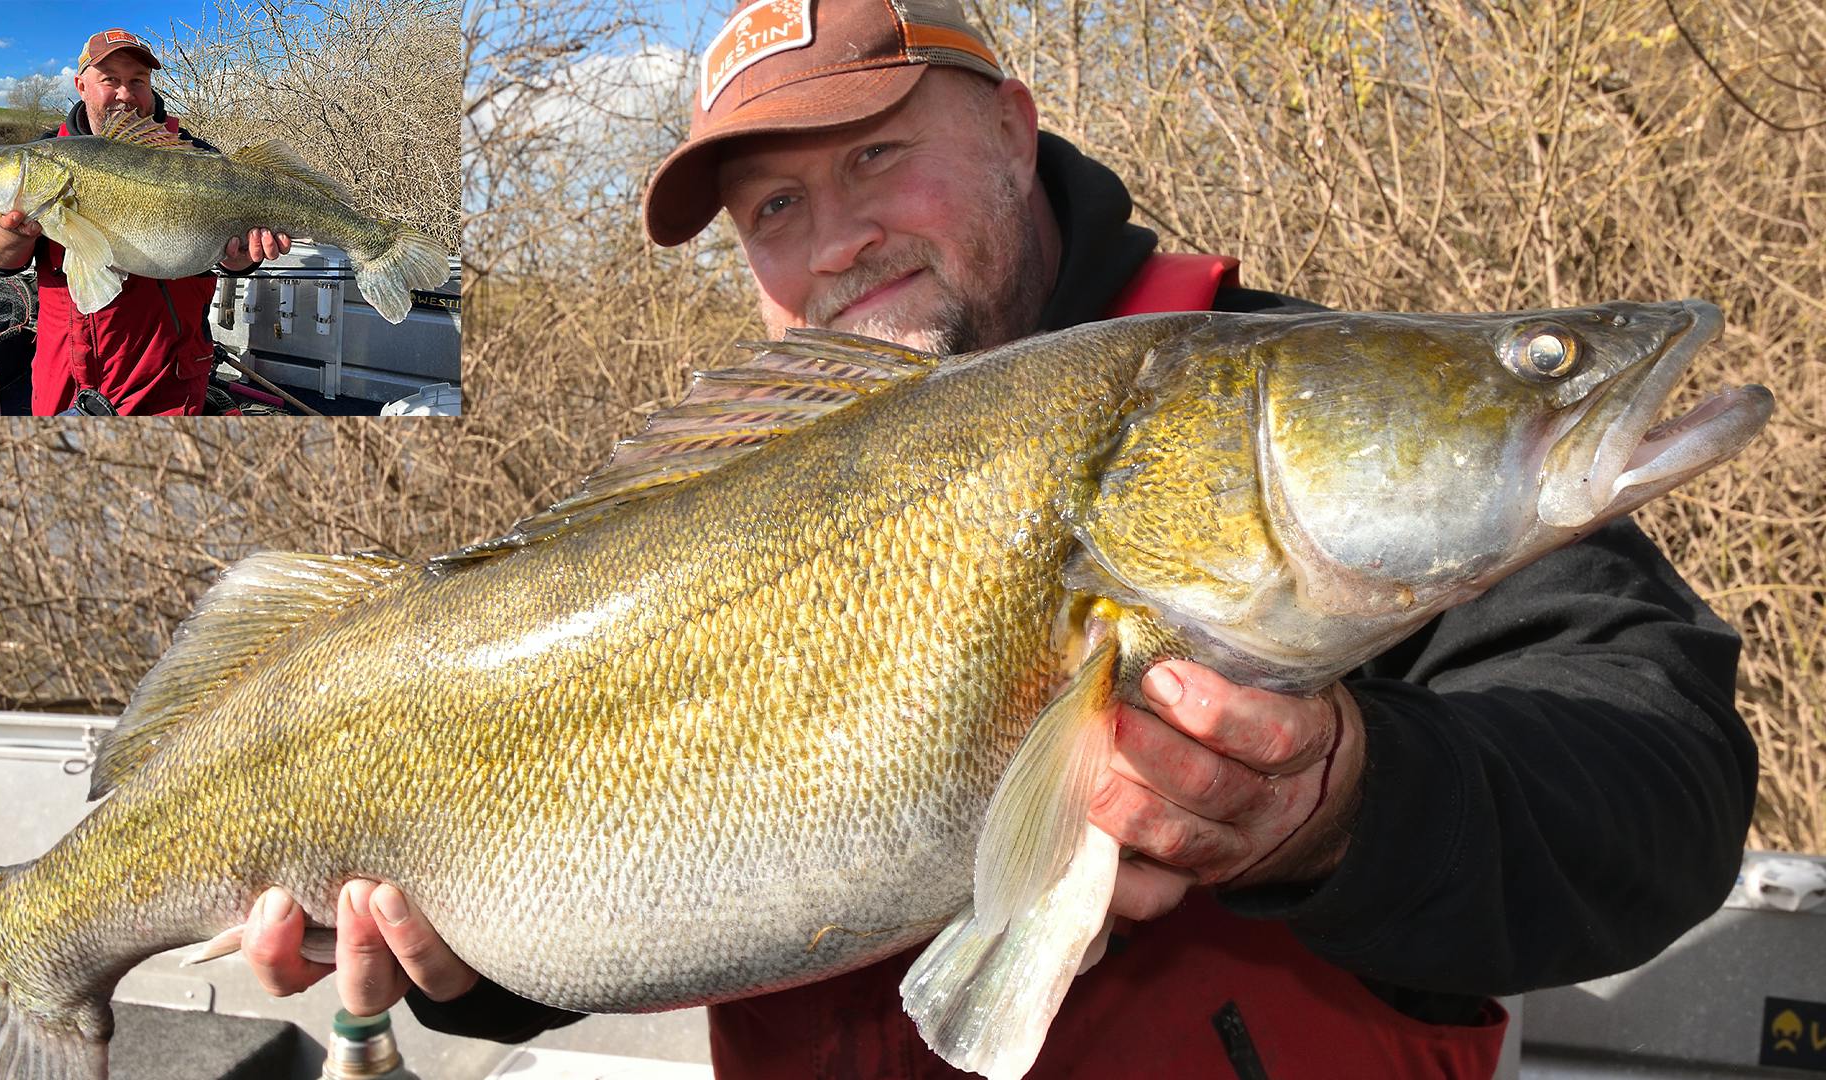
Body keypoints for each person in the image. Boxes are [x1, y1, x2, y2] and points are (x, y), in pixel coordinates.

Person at [241, 1, 1757, 1075]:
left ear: (1018, 132)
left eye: (877, 157)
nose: (834, 239)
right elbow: (646, 864)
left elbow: (1661, 782)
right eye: (772, 205)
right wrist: (474, 984)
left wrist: (1342, 801)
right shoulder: (717, 502)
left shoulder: (1260, 391)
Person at [0, 28, 293, 416]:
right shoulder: (42, 157)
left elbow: (232, 255)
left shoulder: (195, 157)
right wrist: (9, 229)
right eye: (110, 80)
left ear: (151, 86)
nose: (125, 93)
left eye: (137, 80)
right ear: (81, 85)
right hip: (68, 376)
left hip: (171, 377)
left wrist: (242, 260)